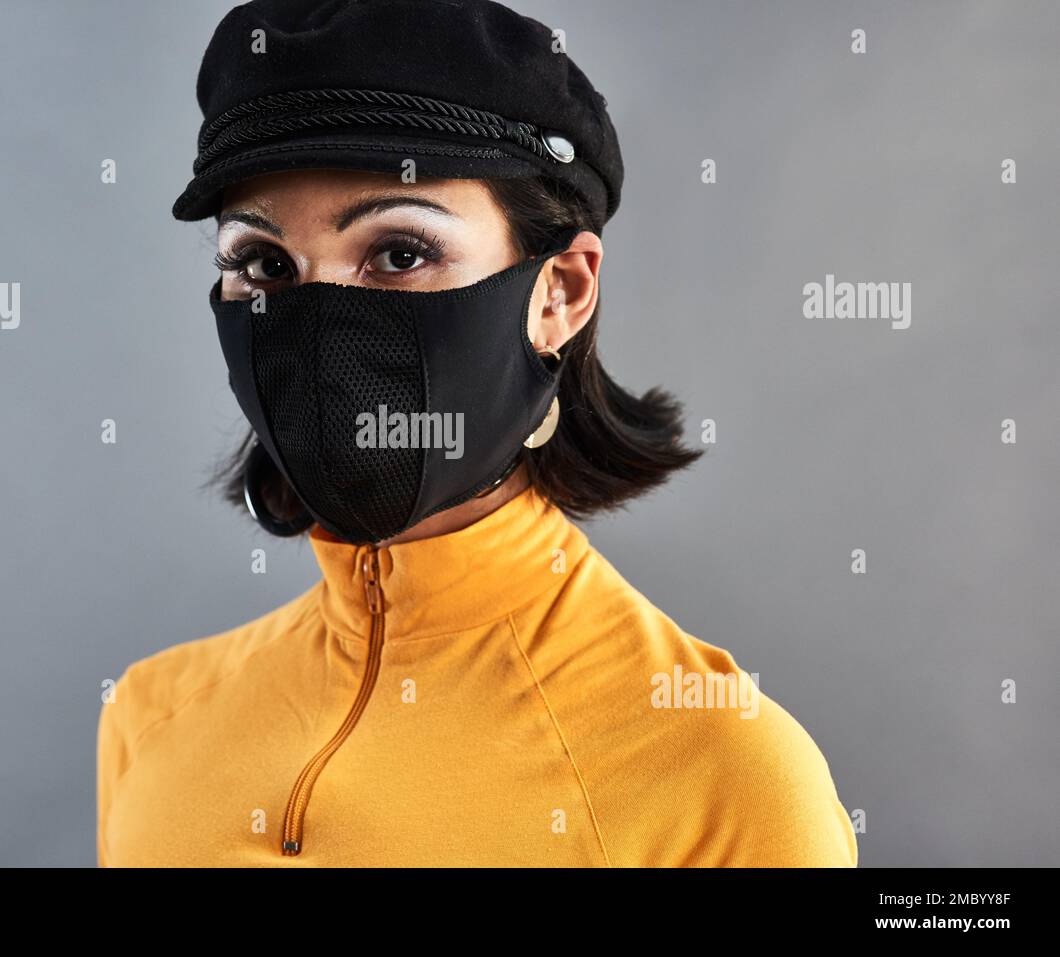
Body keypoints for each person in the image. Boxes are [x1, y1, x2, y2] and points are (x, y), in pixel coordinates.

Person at [96, 0, 857, 867]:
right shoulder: (150, 716)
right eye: (265, 264)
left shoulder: (720, 775)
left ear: (560, 292)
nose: (315, 325)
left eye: (400, 253)